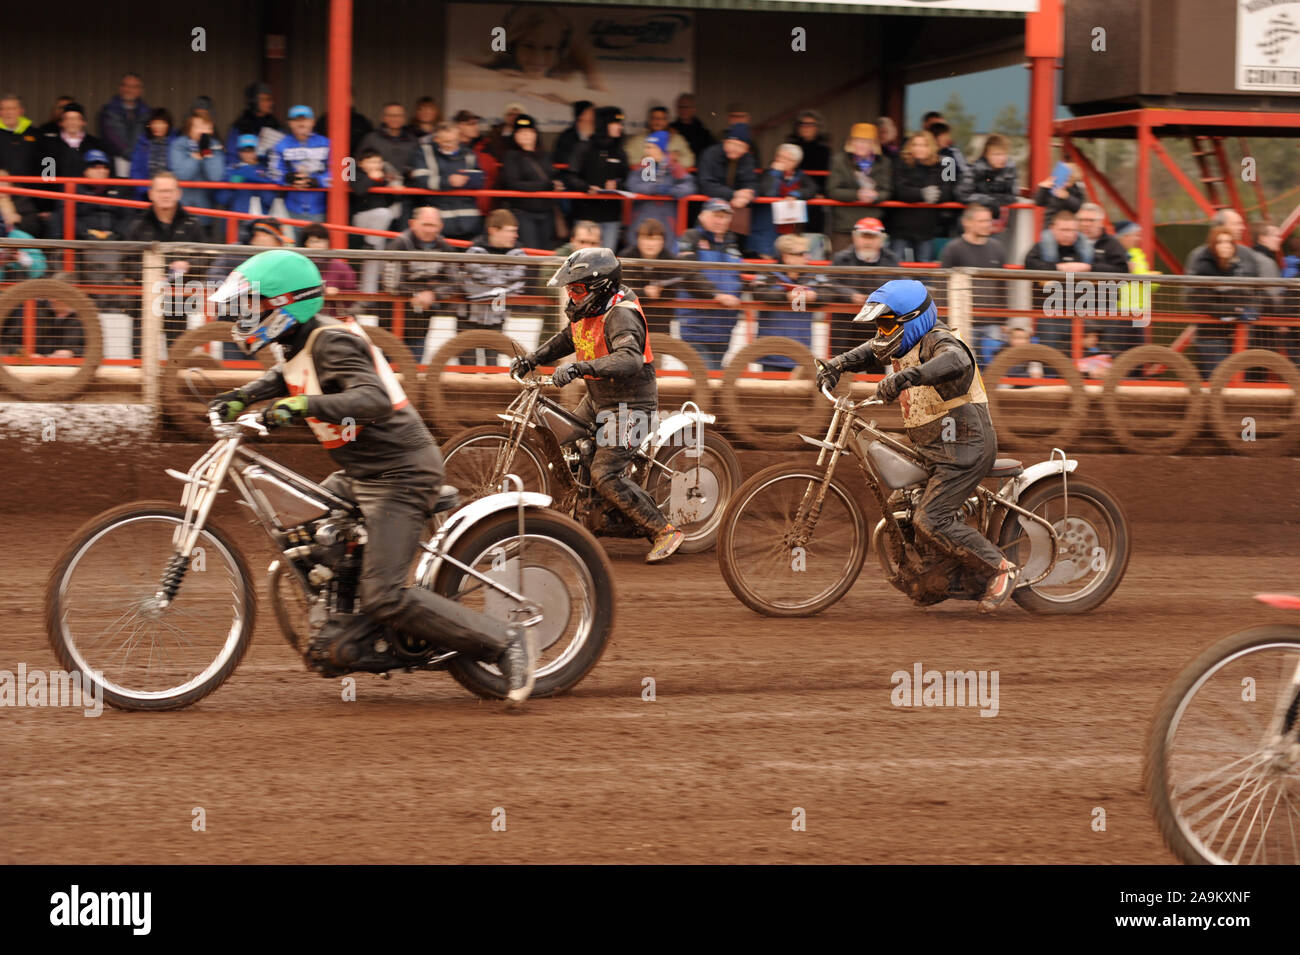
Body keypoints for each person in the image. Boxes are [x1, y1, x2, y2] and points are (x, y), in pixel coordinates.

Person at [206, 249, 537, 703]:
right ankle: (353, 630)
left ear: (285, 304)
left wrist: (301, 408)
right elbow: (286, 378)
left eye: (254, 307)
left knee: (384, 595)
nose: (244, 318)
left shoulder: (331, 340)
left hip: (400, 475)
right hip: (362, 474)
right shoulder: (300, 344)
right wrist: (242, 397)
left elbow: (372, 399)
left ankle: (504, 640)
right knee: (308, 535)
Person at [816, 279, 1018, 613]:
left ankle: (1001, 568)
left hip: (964, 448)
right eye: (880, 325)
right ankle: (940, 578)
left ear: (913, 319)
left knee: (931, 520)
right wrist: (837, 364)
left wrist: (906, 378)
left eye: (887, 324)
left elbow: (957, 362)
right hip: (934, 449)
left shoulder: (941, 341)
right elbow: (870, 350)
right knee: (902, 511)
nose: (882, 333)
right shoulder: (902, 343)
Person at [512, 247, 685, 563]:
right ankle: (590, 515)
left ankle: (663, 530)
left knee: (605, 472)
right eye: (570, 289)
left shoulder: (621, 313)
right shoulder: (587, 310)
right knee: (566, 447)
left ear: (600, 287)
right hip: (598, 399)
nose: (572, 295)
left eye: (577, 289)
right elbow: (569, 338)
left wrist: (580, 368)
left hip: (631, 405)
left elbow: (630, 358)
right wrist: (532, 359)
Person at [748, 233, 836, 371]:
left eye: (807, 253)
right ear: (786, 257)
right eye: (801, 254)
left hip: (801, 352)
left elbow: (830, 293)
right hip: (772, 352)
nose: (807, 257)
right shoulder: (768, 273)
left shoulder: (813, 275)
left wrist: (814, 296)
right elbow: (758, 293)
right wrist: (786, 296)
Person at [675, 199, 745, 370]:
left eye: (725, 217)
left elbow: (738, 278)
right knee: (706, 380)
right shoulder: (690, 237)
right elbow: (688, 273)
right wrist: (717, 295)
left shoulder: (731, 242)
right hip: (696, 327)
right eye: (717, 216)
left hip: (724, 327)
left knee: (713, 381)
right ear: (702, 216)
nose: (721, 221)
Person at [382, 206, 460, 357]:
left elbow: (456, 282)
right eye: (425, 224)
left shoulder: (445, 247)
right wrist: (422, 290)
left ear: (440, 226)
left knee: (416, 367)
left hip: (422, 320)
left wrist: (433, 293)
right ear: (413, 223)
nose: (429, 230)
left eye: (433, 225)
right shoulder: (399, 245)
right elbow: (390, 283)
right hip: (391, 317)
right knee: (390, 366)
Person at [1186, 224, 1261, 379]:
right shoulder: (1204, 269)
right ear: (1213, 246)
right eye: (1220, 242)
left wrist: (1250, 307)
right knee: (1219, 381)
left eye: (1229, 242)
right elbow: (1204, 305)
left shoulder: (1232, 267)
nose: (1226, 246)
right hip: (1211, 336)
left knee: (1228, 380)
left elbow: (1237, 295)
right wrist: (1236, 310)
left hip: (1228, 333)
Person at [940, 204, 1009, 359]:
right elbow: (942, 285)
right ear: (967, 223)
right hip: (962, 319)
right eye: (982, 221)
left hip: (991, 321)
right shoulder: (953, 249)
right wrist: (947, 320)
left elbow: (1002, 285)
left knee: (994, 366)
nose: (987, 225)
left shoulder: (998, 248)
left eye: (989, 221)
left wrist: (1004, 319)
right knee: (964, 365)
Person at [828, 217, 898, 361]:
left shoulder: (891, 260)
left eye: (872, 237)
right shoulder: (841, 259)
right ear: (855, 238)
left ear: (881, 240)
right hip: (846, 326)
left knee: (876, 371)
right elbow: (830, 282)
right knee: (840, 367)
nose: (868, 242)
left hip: (877, 327)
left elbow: (900, 284)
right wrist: (851, 296)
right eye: (864, 237)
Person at [560, 105, 629, 251]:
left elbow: (627, 179)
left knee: (606, 259)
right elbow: (570, 177)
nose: (619, 127)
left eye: (621, 124)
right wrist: (586, 187)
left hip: (611, 215)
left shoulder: (620, 151)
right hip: (586, 213)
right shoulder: (584, 148)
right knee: (583, 258)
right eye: (615, 123)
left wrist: (617, 185)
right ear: (604, 124)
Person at [1024, 209, 1091, 353]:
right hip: (1049, 316)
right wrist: (1058, 267)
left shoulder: (1084, 253)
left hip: (1078, 316)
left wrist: (1088, 267)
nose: (1068, 234)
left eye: (1072, 230)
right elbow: (1029, 264)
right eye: (1063, 229)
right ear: (1052, 229)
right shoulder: (1041, 248)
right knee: (1049, 359)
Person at [409, 121, 484, 240]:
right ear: (436, 139)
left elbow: (480, 179)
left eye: (454, 141)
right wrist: (448, 182)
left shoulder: (469, 154)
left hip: (469, 221)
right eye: (446, 141)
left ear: (459, 137)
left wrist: (468, 180)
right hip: (438, 219)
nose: (451, 145)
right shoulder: (424, 152)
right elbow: (420, 179)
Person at [623, 129, 694, 254]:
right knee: (637, 252)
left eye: (650, 147)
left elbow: (688, 186)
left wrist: (672, 191)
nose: (647, 151)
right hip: (642, 216)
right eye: (646, 147)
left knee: (666, 253)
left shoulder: (674, 166)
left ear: (660, 148)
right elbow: (632, 184)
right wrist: (653, 189)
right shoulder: (645, 165)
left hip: (667, 219)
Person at [826, 123, 891, 252]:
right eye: (857, 140)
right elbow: (832, 190)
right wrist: (857, 195)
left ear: (874, 144)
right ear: (851, 142)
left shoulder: (884, 163)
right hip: (845, 223)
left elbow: (887, 191)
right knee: (841, 266)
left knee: (871, 266)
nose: (860, 145)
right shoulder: (839, 160)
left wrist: (876, 196)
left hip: (872, 223)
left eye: (866, 141)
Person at [889, 130, 952, 262]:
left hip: (926, 230)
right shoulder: (899, 162)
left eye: (924, 145)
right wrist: (922, 193)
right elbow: (898, 190)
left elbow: (949, 190)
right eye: (915, 144)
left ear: (931, 147)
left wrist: (937, 196)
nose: (919, 149)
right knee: (894, 272)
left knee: (925, 274)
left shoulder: (945, 163)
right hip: (901, 228)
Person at [497, 113, 556, 250]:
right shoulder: (511, 156)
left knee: (547, 253)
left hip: (546, 211)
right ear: (515, 135)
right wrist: (545, 185)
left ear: (535, 134)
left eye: (529, 132)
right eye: (521, 132)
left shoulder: (544, 155)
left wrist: (554, 184)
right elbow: (513, 184)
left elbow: (553, 177)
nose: (526, 135)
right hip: (523, 213)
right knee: (531, 253)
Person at [751, 142, 819, 257]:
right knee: (766, 264)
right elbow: (768, 192)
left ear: (796, 163)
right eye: (779, 156)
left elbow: (812, 189)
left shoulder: (801, 176)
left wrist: (795, 194)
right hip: (766, 230)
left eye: (787, 159)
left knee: (788, 260)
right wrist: (776, 173)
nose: (781, 160)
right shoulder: (767, 174)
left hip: (788, 230)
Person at [268, 105, 332, 228]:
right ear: (290, 123)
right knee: (292, 246)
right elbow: (273, 171)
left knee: (317, 245)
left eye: (305, 119)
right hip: (292, 207)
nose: (301, 124)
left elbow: (344, 171)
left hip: (320, 207)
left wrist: (317, 181)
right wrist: (288, 178)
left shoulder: (326, 143)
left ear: (312, 122)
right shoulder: (281, 144)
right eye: (296, 120)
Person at [695, 124, 758, 245]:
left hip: (736, 210)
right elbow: (704, 183)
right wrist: (733, 194)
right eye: (731, 143)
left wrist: (748, 194)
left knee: (734, 245)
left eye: (739, 146)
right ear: (724, 142)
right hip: (711, 207)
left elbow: (752, 182)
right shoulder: (710, 154)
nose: (734, 148)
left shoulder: (748, 159)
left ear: (746, 148)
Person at [168, 110, 226, 235]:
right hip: (181, 210)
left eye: (207, 127)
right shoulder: (178, 145)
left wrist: (205, 152)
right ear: (190, 129)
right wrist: (195, 158)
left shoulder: (214, 146)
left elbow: (216, 176)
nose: (203, 131)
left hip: (205, 211)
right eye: (199, 127)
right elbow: (181, 175)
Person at [618, 218, 677, 338]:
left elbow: (672, 292)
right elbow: (622, 291)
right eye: (646, 238)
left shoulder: (671, 260)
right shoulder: (626, 258)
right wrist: (645, 292)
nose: (650, 244)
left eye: (655, 239)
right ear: (638, 240)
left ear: (663, 241)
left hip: (659, 326)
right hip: (630, 323)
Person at [97, 72, 150, 177]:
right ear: (120, 88)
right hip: (115, 163)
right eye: (126, 85)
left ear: (141, 91)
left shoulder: (147, 113)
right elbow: (111, 138)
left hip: (141, 164)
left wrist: (139, 157)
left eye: (134, 87)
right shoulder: (108, 111)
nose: (129, 90)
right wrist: (131, 155)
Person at [957, 134, 1018, 219]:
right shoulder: (975, 169)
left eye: (1003, 154)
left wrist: (990, 200)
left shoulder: (1010, 169)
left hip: (1003, 221)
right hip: (977, 219)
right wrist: (988, 201)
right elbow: (962, 194)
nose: (1001, 158)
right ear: (986, 155)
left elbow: (1013, 195)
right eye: (996, 154)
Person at [357, 102, 419, 178]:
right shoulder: (371, 139)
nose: (395, 118)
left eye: (399, 115)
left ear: (404, 118)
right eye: (391, 115)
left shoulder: (413, 141)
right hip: (377, 185)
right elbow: (358, 163)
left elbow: (418, 165)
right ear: (383, 118)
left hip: (407, 187)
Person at [625, 105, 695, 169]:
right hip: (645, 179)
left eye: (662, 118)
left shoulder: (677, 140)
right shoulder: (638, 140)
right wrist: (650, 159)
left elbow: (690, 160)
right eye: (655, 118)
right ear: (649, 121)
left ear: (667, 121)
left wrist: (672, 158)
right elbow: (628, 159)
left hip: (672, 180)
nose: (658, 121)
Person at [225, 82, 280, 158]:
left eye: (271, 99)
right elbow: (231, 155)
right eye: (266, 99)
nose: (271, 103)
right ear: (254, 101)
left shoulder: (276, 126)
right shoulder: (239, 127)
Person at [128, 108, 175, 195]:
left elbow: (178, 171)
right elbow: (135, 170)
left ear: (168, 125)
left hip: (169, 193)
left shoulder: (176, 144)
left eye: (162, 123)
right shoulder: (142, 143)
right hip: (145, 194)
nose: (158, 126)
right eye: (155, 123)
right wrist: (145, 191)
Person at [0, 94, 40, 179]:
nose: (8, 112)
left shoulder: (35, 134)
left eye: (12, 108)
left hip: (30, 188)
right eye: (3, 109)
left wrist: (47, 182)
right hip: (2, 189)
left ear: (21, 111)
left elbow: (48, 160)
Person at [669, 93, 716, 161]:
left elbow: (711, 152)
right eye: (681, 107)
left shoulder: (703, 132)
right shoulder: (670, 129)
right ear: (677, 109)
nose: (684, 110)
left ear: (694, 109)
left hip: (698, 168)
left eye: (687, 107)